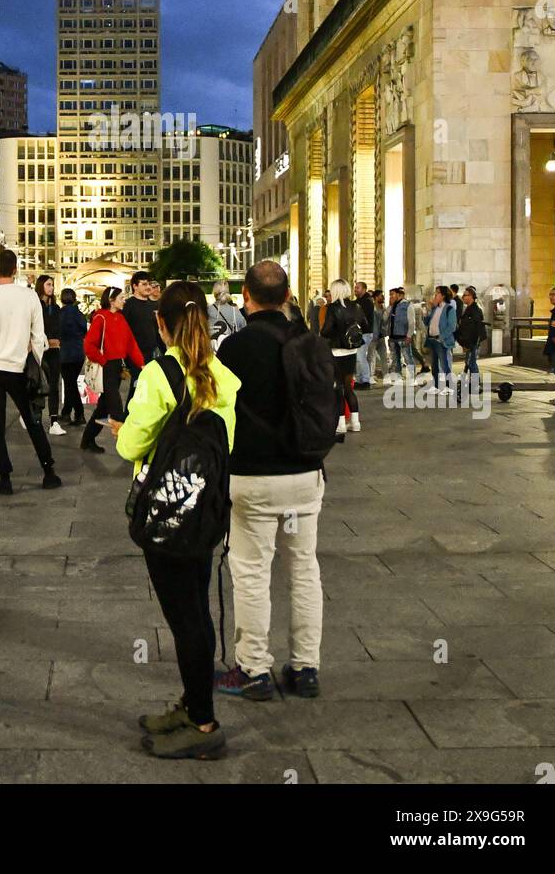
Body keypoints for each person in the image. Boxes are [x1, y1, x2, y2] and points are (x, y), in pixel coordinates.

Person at [115, 281, 238, 760]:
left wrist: (124, 431)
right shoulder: (222, 375)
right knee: (197, 610)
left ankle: (203, 724)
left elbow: (131, 445)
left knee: (184, 619)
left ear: (161, 324)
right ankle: (192, 705)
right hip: (206, 511)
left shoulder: (158, 375)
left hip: (167, 512)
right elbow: (227, 443)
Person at [215, 259, 327, 702]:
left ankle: (254, 670)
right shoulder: (307, 342)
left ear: (245, 296)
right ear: (288, 297)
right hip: (304, 473)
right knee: (304, 570)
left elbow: (219, 411)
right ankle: (305, 668)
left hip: (253, 478)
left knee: (251, 573)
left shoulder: (234, 348)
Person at [0, 249, 61, 494]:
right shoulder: (29, 297)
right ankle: (49, 471)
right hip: (20, 368)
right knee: (32, 420)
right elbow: (39, 337)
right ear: (15, 269)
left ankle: (5, 477)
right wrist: (35, 365)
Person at [80, 286, 145, 451]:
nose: (124, 300)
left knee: (104, 407)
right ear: (111, 300)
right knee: (116, 408)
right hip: (106, 367)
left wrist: (141, 363)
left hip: (116, 366)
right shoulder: (100, 317)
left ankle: (87, 439)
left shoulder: (120, 318)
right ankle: (128, 446)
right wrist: (103, 360)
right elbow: (89, 345)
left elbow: (131, 344)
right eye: (121, 298)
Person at [321, 277, 367, 434]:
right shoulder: (356, 306)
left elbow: (325, 331)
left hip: (337, 352)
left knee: (337, 387)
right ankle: (355, 422)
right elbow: (365, 325)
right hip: (352, 350)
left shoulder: (333, 308)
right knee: (348, 388)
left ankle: (340, 424)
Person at [122, 272, 161, 394]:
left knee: (149, 389)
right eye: (144, 284)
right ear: (135, 286)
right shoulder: (128, 305)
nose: (148, 287)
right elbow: (123, 332)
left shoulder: (153, 305)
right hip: (135, 355)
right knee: (137, 388)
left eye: (149, 284)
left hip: (153, 354)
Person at [35, 274, 65, 437]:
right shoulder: (35, 305)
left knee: (54, 385)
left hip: (54, 350)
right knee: (38, 384)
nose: (51, 287)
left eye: (52, 285)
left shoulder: (56, 307)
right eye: (48, 284)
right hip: (39, 351)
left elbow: (58, 328)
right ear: (41, 286)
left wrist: (57, 340)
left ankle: (54, 421)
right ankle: (34, 417)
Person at [58, 288, 87, 426]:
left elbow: (57, 331)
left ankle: (79, 414)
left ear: (62, 299)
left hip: (65, 353)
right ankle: (66, 412)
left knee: (70, 384)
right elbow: (84, 330)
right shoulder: (79, 314)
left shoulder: (60, 314)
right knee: (71, 383)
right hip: (79, 353)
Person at [423, 285, 457, 386]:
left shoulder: (449, 309)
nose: (435, 295)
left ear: (443, 295)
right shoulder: (435, 308)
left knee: (444, 365)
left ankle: (449, 386)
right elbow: (427, 322)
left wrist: (441, 337)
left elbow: (452, 326)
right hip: (432, 339)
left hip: (441, 340)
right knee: (434, 365)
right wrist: (427, 311)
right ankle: (436, 385)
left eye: (437, 293)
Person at [456, 285, 485, 381]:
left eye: (465, 295)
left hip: (473, 341)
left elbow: (474, 329)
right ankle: (472, 382)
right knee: (469, 362)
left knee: (471, 363)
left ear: (471, 296)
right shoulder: (468, 309)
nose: (463, 297)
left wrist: (468, 344)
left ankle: (476, 384)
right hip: (469, 342)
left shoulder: (475, 310)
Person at [208, 279, 246, 350]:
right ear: (228, 293)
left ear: (214, 293)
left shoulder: (207, 310)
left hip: (210, 352)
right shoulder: (235, 311)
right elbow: (244, 331)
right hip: (229, 351)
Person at [353, 281, 375, 388]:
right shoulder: (358, 301)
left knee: (361, 357)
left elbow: (361, 318)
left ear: (364, 289)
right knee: (358, 357)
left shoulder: (366, 302)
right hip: (359, 333)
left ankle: (366, 380)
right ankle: (359, 380)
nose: (355, 289)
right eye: (355, 288)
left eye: (358, 288)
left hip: (365, 333)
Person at [388, 287, 414, 378]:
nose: (391, 296)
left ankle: (411, 378)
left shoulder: (407, 305)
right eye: (390, 295)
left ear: (399, 295)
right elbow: (385, 318)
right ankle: (398, 376)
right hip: (393, 337)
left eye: (392, 294)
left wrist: (409, 335)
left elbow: (412, 322)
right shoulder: (392, 305)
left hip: (403, 336)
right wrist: (390, 306)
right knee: (395, 359)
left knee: (408, 358)